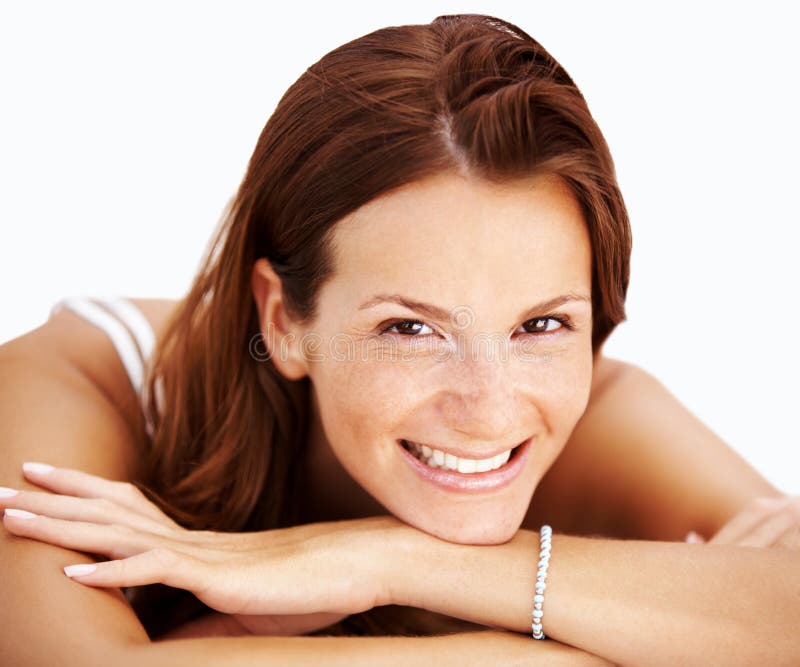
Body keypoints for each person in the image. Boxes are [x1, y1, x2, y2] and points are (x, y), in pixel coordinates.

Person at [1, 13, 797, 666]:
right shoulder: (79, 379)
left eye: (542, 323)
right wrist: (612, 643)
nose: (489, 408)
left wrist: (383, 561)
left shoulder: (602, 412)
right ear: (283, 321)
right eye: (409, 328)